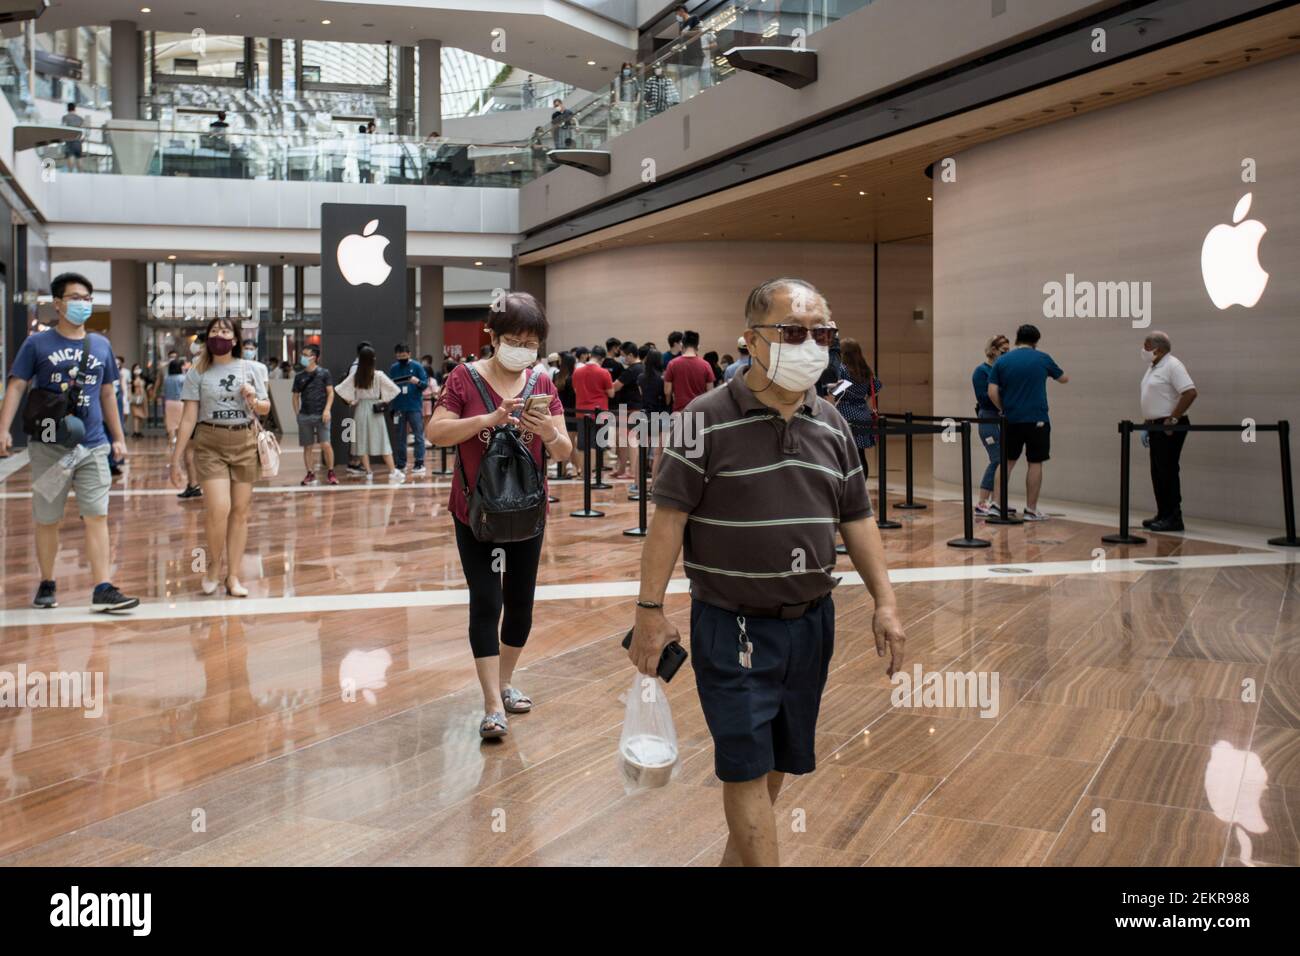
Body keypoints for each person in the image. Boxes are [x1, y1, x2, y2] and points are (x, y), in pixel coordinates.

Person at [628, 277, 905, 867]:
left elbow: (857, 518)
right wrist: (649, 613)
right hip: (731, 627)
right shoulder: (703, 420)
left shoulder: (832, 423)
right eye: (794, 332)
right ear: (753, 339)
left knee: (777, 762)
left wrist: (885, 601)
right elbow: (668, 522)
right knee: (745, 767)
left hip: (811, 625)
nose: (811, 344)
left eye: (821, 333)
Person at [427, 292, 572, 739]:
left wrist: (545, 430)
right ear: (492, 335)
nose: (524, 348)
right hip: (476, 511)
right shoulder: (464, 378)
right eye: (514, 338)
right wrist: (489, 418)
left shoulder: (542, 384)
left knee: (521, 607)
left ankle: (506, 681)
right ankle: (492, 703)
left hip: (528, 510)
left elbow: (567, 452)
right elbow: (436, 432)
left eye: (532, 341)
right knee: (487, 600)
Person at [0, 273, 137, 611]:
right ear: (58, 303)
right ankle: (47, 581)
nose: (83, 304)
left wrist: (118, 438)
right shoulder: (37, 344)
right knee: (48, 518)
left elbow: (107, 392)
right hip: (49, 445)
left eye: (87, 298)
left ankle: (102, 586)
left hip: (92, 444)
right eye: (75, 298)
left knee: (97, 515)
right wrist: (3, 429)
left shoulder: (101, 345)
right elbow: (17, 384)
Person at [170, 317, 270, 597]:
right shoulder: (198, 371)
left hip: (244, 441)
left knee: (240, 512)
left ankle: (233, 576)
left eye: (225, 331)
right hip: (209, 442)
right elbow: (189, 417)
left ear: (236, 339)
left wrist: (253, 398)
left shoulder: (252, 368)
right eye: (214, 331)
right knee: (218, 509)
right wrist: (176, 458)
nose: (220, 335)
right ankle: (214, 566)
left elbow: (264, 408)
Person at [987, 323, 1068, 521]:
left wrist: (1004, 409)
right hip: (1037, 419)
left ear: (1016, 339)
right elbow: (1064, 378)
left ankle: (996, 504)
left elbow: (991, 391)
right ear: (1036, 341)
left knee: (1006, 462)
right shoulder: (1042, 358)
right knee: (1035, 463)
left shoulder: (1003, 361)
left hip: (1011, 419)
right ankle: (1031, 510)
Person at [1140, 331, 1197, 532]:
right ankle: (1163, 512)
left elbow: (1190, 392)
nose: (1143, 350)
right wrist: (1148, 423)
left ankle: (1174, 516)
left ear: (1159, 348)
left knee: (1168, 470)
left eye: (1146, 346)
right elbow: (1156, 397)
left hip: (1170, 427)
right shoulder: (1153, 367)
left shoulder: (1173, 365)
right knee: (1157, 471)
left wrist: (1173, 419)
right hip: (1155, 425)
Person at [335, 346, 402, 482]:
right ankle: (393, 471)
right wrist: (383, 400)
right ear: (373, 359)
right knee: (383, 441)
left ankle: (369, 472)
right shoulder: (379, 375)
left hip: (360, 409)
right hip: (375, 410)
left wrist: (352, 400)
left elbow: (340, 389)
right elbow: (395, 389)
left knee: (361, 442)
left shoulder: (356, 376)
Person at [830, 338, 882, 482]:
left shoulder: (842, 370)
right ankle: (861, 484)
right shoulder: (866, 370)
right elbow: (876, 387)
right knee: (860, 454)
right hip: (863, 414)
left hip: (845, 413)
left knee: (844, 454)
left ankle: (846, 485)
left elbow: (834, 391)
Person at [972, 335, 1010, 516]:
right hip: (988, 419)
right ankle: (982, 501)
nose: (1005, 355)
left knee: (1003, 460)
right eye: (1003, 352)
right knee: (997, 459)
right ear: (993, 350)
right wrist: (1000, 392)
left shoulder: (1002, 371)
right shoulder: (981, 371)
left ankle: (997, 502)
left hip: (1001, 418)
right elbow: (984, 398)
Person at [292, 345, 336, 486]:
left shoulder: (324, 373)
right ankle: (310, 473)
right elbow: (295, 397)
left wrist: (327, 410)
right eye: (302, 354)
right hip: (304, 415)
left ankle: (331, 472)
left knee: (326, 444)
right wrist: (297, 414)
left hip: (322, 415)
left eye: (306, 354)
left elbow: (330, 393)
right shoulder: (299, 377)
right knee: (307, 446)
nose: (303, 357)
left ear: (314, 357)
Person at [573, 344, 615, 478]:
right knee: (597, 444)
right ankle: (590, 474)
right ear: (602, 359)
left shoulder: (577, 372)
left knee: (581, 444)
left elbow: (575, 390)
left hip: (581, 411)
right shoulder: (604, 373)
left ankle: (582, 473)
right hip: (600, 412)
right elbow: (611, 393)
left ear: (590, 355)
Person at [389, 343, 430, 477]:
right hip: (399, 406)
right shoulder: (394, 368)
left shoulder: (417, 366)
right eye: (399, 356)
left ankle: (419, 462)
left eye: (404, 355)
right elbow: (390, 387)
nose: (401, 357)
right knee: (400, 436)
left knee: (418, 435)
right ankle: (401, 462)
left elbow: (425, 385)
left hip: (414, 406)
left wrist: (417, 382)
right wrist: (392, 407)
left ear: (409, 354)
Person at [612, 340, 643, 479]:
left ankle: (632, 471)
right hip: (633, 407)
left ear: (630, 355)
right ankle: (623, 469)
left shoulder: (631, 370)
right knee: (623, 439)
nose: (622, 358)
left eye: (624, 355)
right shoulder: (642, 367)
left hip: (630, 408)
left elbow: (615, 386)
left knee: (630, 440)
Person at [663, 329, 714, 412]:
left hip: (679, 412)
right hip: (699, 411)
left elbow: (667, 391)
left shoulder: (672, 364)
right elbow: (710, 393)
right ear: (698, 346)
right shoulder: (706, 365)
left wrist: (668, 403)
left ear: (682, 345)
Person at [554, 351, 581, 479]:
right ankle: (577, 468)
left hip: (560, 413)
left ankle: (567, 469)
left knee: (564, 443)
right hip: (572, 413)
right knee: (571, 444)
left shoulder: (557, 376)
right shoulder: (574, 378)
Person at [162, 357, 188, 447]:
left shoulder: (166, 378)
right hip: (180, 402)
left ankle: (172, 440)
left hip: (169, 403)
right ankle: (179, 442)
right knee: (181, 422)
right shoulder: (182, 378)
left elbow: (164, 391)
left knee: (171, 423)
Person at [61, 102, 85, 171]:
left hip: (69, 141)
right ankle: (81, 174)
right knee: (79, 157)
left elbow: (63, 128)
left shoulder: (65, 118)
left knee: (70, 157)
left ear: (67, 109)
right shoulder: (80, 118)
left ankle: (70, 173)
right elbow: (83, 129)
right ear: (75, 108)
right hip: (78, 141)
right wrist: (83, 138)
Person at [128, 363, 148, 437]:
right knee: (136, 415)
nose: (137, 370)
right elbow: (129, 388)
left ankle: (139, 430)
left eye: (138, 368)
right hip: (135, 397)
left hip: (143, 397)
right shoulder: (132, 379)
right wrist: (129, 396)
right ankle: (135, 431)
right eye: (136, 368)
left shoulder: (143, 378)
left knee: (141, 415)